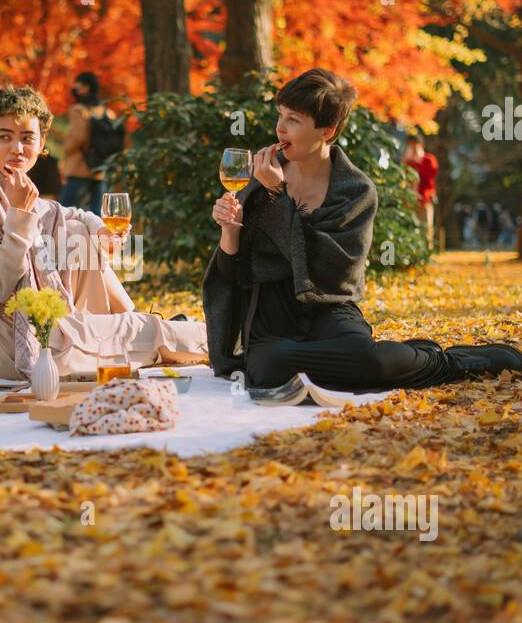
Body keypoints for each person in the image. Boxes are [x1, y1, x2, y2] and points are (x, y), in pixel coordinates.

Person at [203, 68, 522, 392]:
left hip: (330, 306)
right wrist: (230, 231)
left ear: (327, 130)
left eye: (294, 120)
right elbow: (233, 274)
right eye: (281, 115)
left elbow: (329, 270)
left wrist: (279, 196)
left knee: (372, 361)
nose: (280, 127)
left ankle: (448, 362)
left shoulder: (355, 190)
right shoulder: (260, 180)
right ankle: (346, 362)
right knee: (269, 366)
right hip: (272, 312)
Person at [0, 85, 207, 379]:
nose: (17, 149)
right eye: (4, 137)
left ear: (42, 141)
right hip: (5, 342)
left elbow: (70, 214)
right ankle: (222, 339)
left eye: (27, 138)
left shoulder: (13, 186)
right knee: (142, 332)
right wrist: (18, 219)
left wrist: (101, 231)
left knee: (75, 231)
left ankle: (121, 329)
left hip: (39, 322)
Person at [59, 71, 120, 215]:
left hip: (80, 167)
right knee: (98, 214)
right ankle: (97, 238)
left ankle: (58, 238)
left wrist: (66, 149)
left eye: (78, 84)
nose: (75, 87)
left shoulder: (78, 109)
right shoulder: (107, 112)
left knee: (63, 211)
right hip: (100, 169)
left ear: (86, 87)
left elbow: (78, 136)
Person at [402, 133, 438, 248]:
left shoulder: (429, 160)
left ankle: (426, 255)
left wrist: (417, 161)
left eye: (414, 145)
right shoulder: (407, 161)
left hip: (425, 201)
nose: (412, 149)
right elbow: (404, 178)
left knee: (426, 230)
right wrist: (407, 162)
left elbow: (429, 176)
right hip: (409, 202)